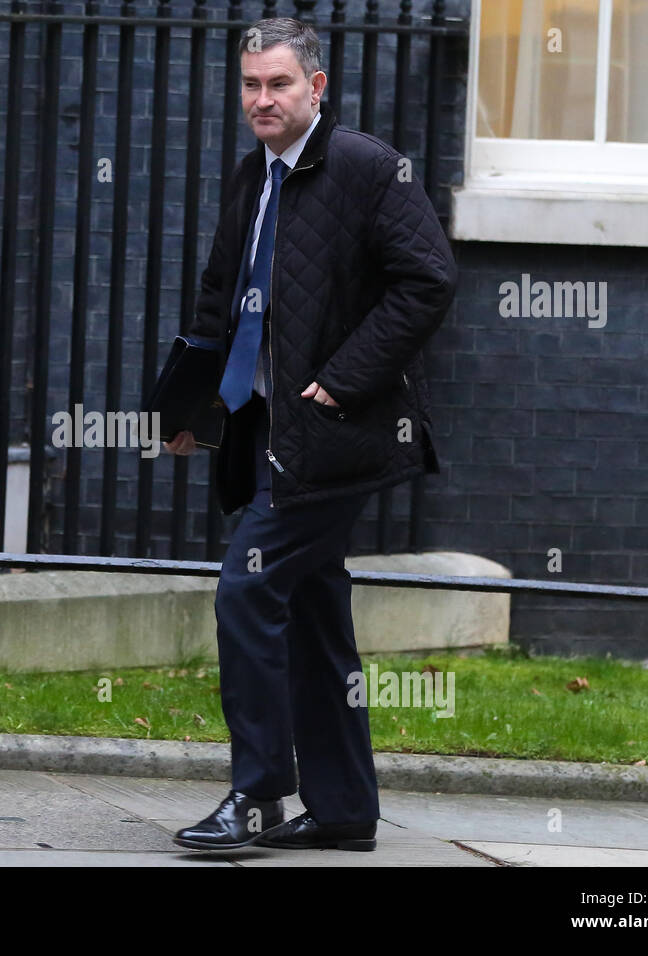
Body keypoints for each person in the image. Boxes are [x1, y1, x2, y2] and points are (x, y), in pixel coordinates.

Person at [163, 17, 456, 852]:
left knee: (248, 591)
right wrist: (191, 409)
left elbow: (429, 280)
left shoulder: (365, 167)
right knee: (315, 608)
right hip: (266, 429)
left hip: (335, 435)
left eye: (279, 84)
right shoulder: (252, 173)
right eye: (251, 85)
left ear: (316, 88)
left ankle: (256, 798)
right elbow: (222, 293)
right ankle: (343, 809)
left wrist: (343, 378)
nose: (262, 99)